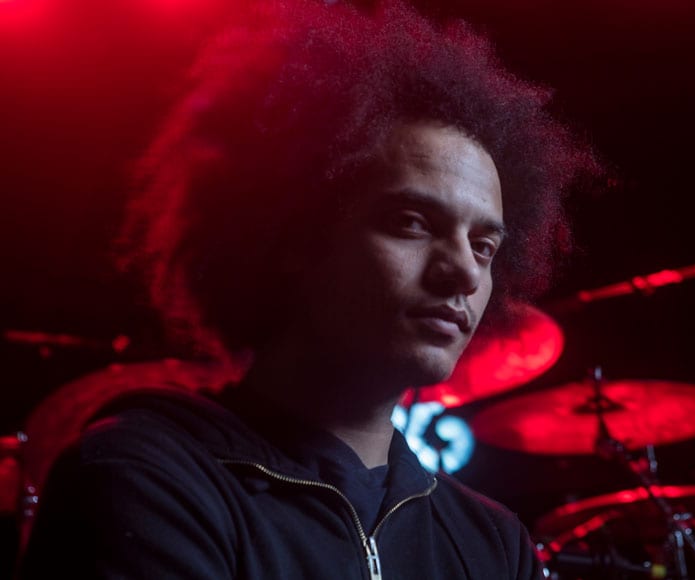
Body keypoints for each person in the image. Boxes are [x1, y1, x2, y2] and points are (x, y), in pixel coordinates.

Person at [15, 0, 602, 578]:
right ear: (295, 232)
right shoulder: (144, 478)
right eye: (411, 223)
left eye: (483, 245)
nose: (466, 273)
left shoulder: (494, 543)